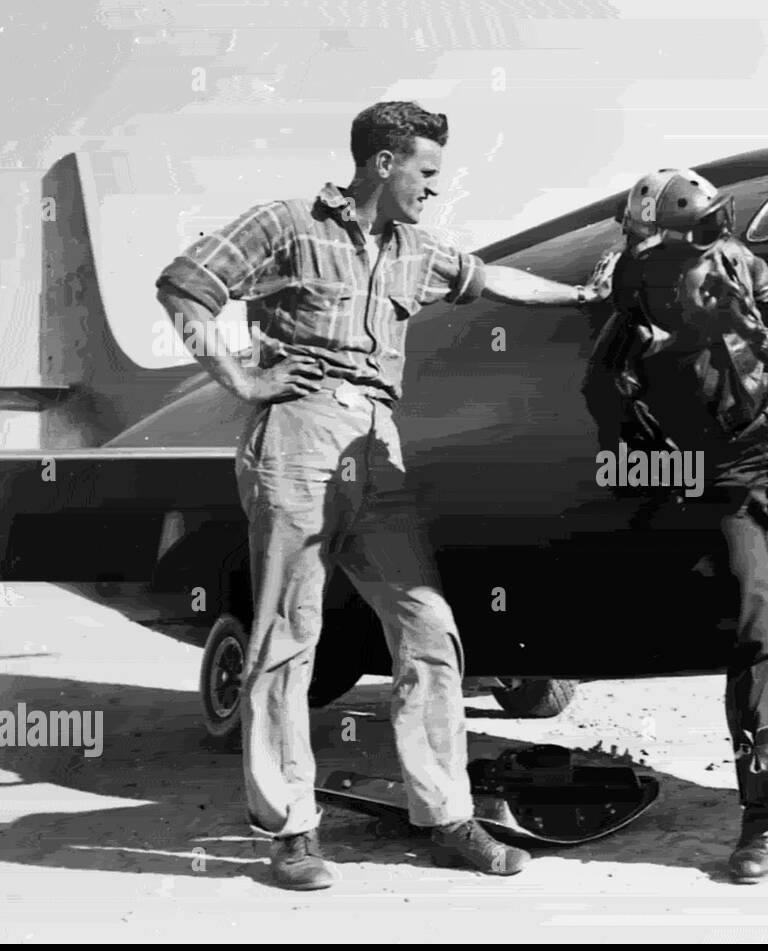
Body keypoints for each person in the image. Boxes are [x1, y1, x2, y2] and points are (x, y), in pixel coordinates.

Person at [155, 101, 613, 890]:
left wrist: (580, 297)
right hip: (296, 433)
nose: (436, 188)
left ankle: (445, 815)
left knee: (429, 629)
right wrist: (241, 377)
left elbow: (490, 278)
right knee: (288, 634)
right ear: (381, 164)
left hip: (379, 442)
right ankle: (291, 830)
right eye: (427, 172)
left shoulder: (415, 249)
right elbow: (186, 287)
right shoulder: (289, 223)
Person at [587, 168, 768, 883]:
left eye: (719, 225)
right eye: (703, 230)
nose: (718, 241)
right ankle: (761, 824)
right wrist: (644, 456)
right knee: (756, 634)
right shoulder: (636, 296)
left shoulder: (733, 263)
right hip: (730, 481)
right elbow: (604, 386)